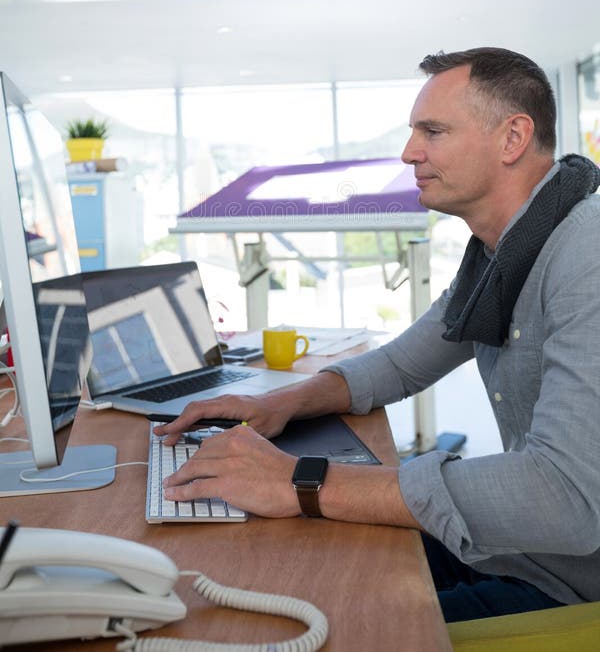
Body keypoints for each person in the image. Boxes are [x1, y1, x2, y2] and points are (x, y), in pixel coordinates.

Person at [156, 47, 600, 623]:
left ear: (513, 138)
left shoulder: (585, 256)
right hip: (518, 552)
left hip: (569, 586)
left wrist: (299, 480)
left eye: (432, 131)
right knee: (309, 571)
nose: (409, 152)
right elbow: (400, 365)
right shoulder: (503, 256)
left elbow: (562, 496)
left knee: (334, 622)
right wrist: (274, 404)